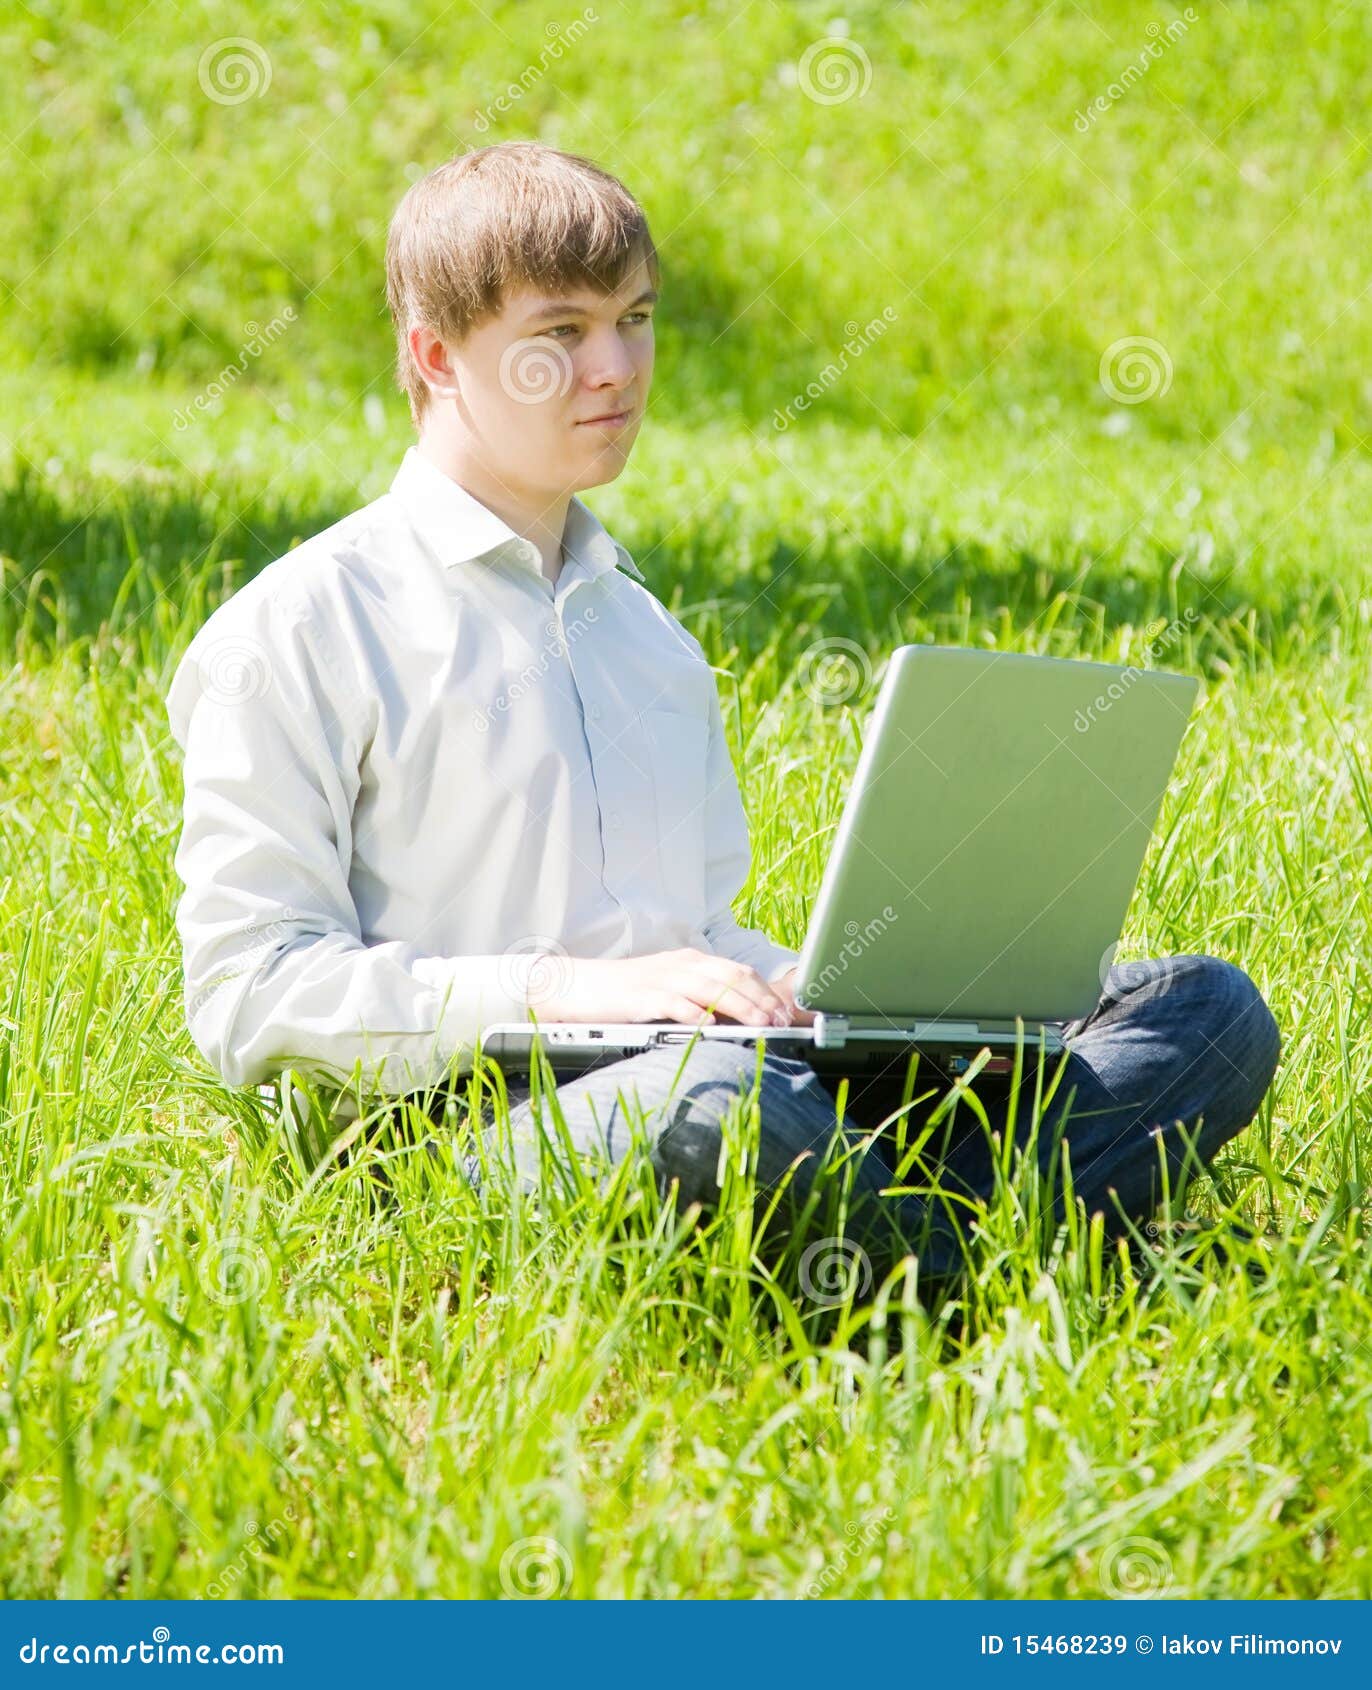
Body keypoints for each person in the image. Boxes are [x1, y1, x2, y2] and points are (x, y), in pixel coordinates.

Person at [166, 142, 1281, 1287]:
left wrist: (818, 996)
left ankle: (907, 1235)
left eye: (635, 318)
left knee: (1198, 1009)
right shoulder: (301, 627)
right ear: (437, 356)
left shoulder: (650, 640)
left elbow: (691, 932)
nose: (615, 367)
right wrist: (554, 988)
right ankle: (987, 1254)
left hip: (712, 1066)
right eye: (560, 334)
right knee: (727, 1106)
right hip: (458, 1136)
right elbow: (252, 993)